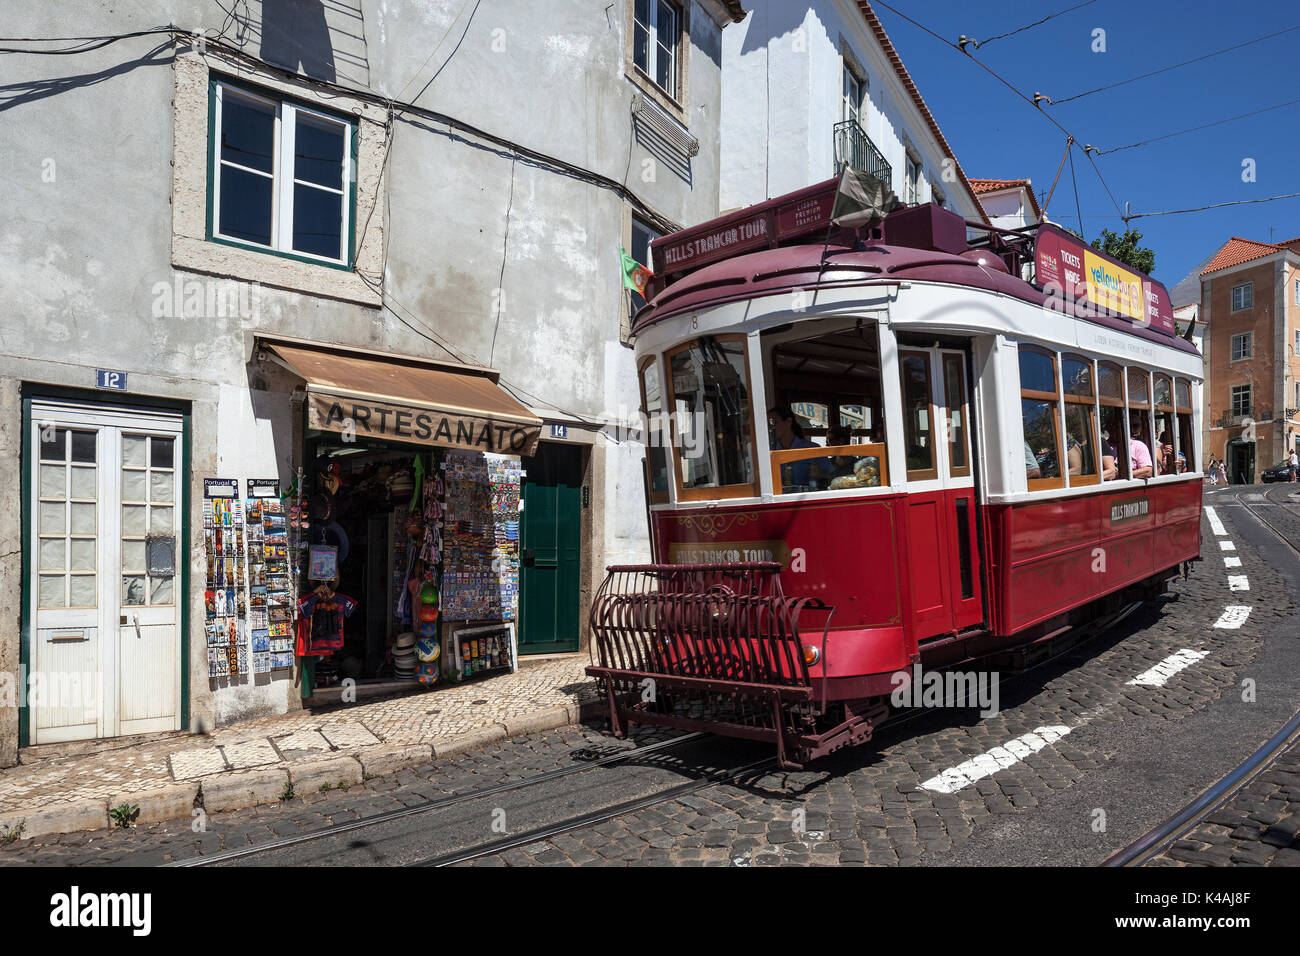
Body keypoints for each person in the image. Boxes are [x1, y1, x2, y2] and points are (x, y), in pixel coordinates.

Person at [769, 404, 816, 489]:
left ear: (788, 421)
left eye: (773, 422)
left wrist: (818, 473)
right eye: (768, 424)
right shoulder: (770, 453)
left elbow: (831, 477)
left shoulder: (812, 449)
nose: (771, 428)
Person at [1129, 412, 1153, 479]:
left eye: (1137, 426)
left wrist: (1123, 475)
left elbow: (1147, 471)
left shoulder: (1138, 445)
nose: (1134, 430)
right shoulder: (1106, 445)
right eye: (1132, 426)